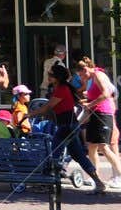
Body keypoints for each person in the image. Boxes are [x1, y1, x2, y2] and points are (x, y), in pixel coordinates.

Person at [42, 60, 103, 194]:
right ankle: (99, 183)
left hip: (66, 127)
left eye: (50, 74)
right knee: (79, 156)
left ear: (57, 77)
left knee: (54, 154)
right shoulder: (64, 88)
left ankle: (50, 183)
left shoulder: (62, 89)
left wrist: (29, 114)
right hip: (70, 126)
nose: (48, 76)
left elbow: (48, 106)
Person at [77, 56, 121, 189]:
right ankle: (95, 177)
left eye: (82, 75)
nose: (82, 79)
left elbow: (106, 94)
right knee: (91, 147)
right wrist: (87, 101)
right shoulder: (93, 77)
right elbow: (96, 95)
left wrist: (90, 104)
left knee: (103, 146)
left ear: (85, 69)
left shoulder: (98, 75)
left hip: (103, 113)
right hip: (96, 113)